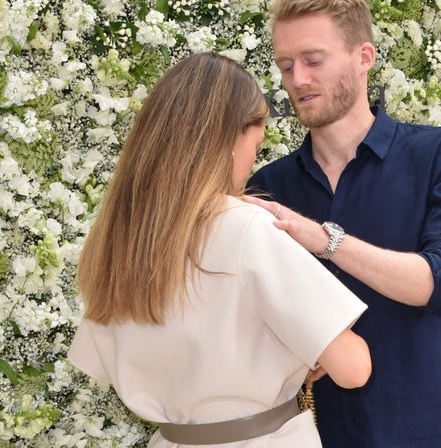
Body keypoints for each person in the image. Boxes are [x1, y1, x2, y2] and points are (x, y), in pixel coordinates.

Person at [67, 52, 371, 448]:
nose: (250, 164)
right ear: (229, 139)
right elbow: (353, 368)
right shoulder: (246, 227)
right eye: (255, 147)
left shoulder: (121, 236)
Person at [244, 0, 441, 448]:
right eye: (286, 66)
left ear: (364, 57)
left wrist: (325, 241)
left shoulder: (439, 153)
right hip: (313, 436)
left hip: (425, 433)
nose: (297, 79)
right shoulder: (271, 186)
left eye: (314, 61)